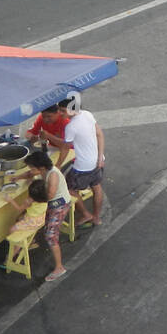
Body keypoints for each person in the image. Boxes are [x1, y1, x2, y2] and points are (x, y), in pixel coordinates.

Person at [19, 149, 74, 281]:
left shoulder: (52, 175)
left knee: (50, 236)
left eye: (33, 168)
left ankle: (59, 267)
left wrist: (32, 199)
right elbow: (29, 174)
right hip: (50, 203)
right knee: (31, 217)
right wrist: (16, 178)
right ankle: (32, 241)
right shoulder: (43, 170)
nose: (31, 170)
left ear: (41, 168)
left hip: (59, 204)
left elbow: (50, 195)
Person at [60, 97, 105, 227]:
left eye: (63, 111)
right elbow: (100, 134)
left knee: (69, 190)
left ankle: (86, 214)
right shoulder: (87, 114)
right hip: (97, 162)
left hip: (83, 167)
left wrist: (57, 166)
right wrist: (100, 158)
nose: (60, 113)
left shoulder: (71, 127)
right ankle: (96, 218)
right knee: (96, 187)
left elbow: (65, 149)